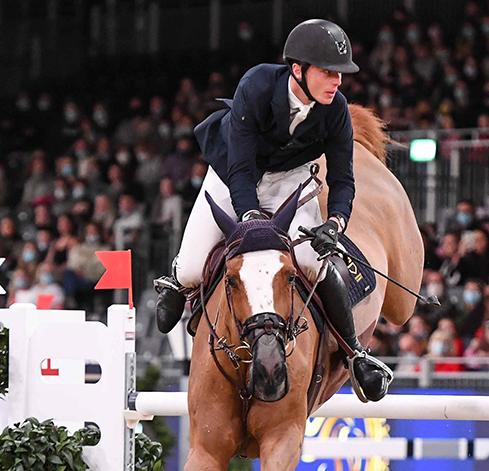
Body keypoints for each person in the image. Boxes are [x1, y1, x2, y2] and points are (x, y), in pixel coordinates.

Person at [151, 19, 392, 402]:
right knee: (194, 266)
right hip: (233, 173)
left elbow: (343, 180)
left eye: (340, 74)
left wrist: (335, 222)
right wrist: (250, 220)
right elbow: (241, 170)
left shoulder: (336, 110)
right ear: (298, 69)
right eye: (328, 72)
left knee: (314, 263)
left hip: (291, 182)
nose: (337, 82)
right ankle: (176, 282)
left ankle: (355, 353)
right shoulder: (257, 86)